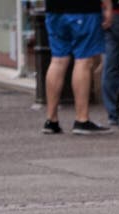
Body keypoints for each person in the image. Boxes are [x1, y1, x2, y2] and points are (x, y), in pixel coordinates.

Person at [42, 0, 113, 135]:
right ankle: (82, 119)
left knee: (57, 60)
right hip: (83, 9)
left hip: (54, 9)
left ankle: (51, 120)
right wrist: (108, 5)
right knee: (83, 61)